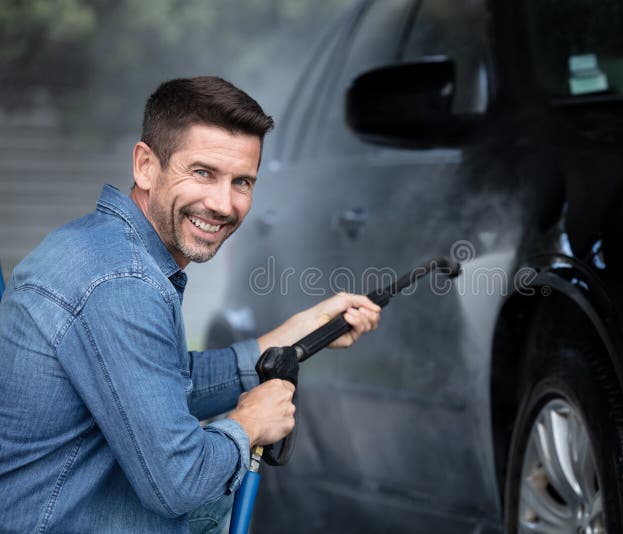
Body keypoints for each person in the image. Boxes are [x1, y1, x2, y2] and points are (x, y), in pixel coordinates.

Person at [0, 76, 381, 532]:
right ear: (145, 165)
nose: (222, 203)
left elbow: (157, 384)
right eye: (202, 172)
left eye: (242, 181)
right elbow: (177, 481)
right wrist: (248, 424)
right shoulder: (123, 283)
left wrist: (291, 337)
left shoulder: (101, 249)